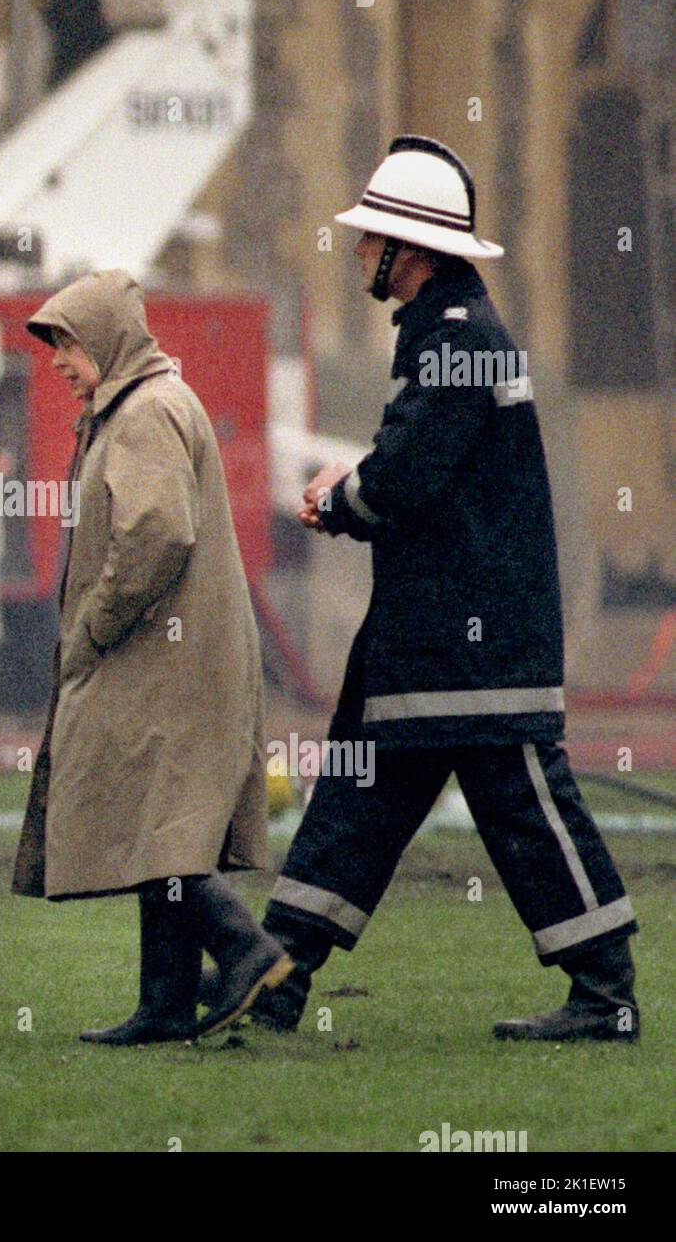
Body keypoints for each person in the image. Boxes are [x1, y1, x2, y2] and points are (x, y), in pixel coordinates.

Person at [247, 136, 640, 1042]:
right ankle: (275, 975)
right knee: (357, 793)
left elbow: (409, 474)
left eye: (369, 239)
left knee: (525, 809)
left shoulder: (460, 341)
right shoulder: (451, 336)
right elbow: (425, 461)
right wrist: (361, 488)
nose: (356, 253)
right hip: (437, 641)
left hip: (476, 646)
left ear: (407, 253)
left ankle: (608, 995)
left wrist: (340, 499)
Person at [11, 269, 292, 1044]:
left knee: (154, 824)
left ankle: (246, 952)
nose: (58, 360)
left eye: (66, 342)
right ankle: (166, 1005)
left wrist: (93, 628)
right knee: (158, 823)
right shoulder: (150, 402)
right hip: (180, 656)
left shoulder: (141, 415)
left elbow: (158, 535)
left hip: (164, 658)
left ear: (104, 338)